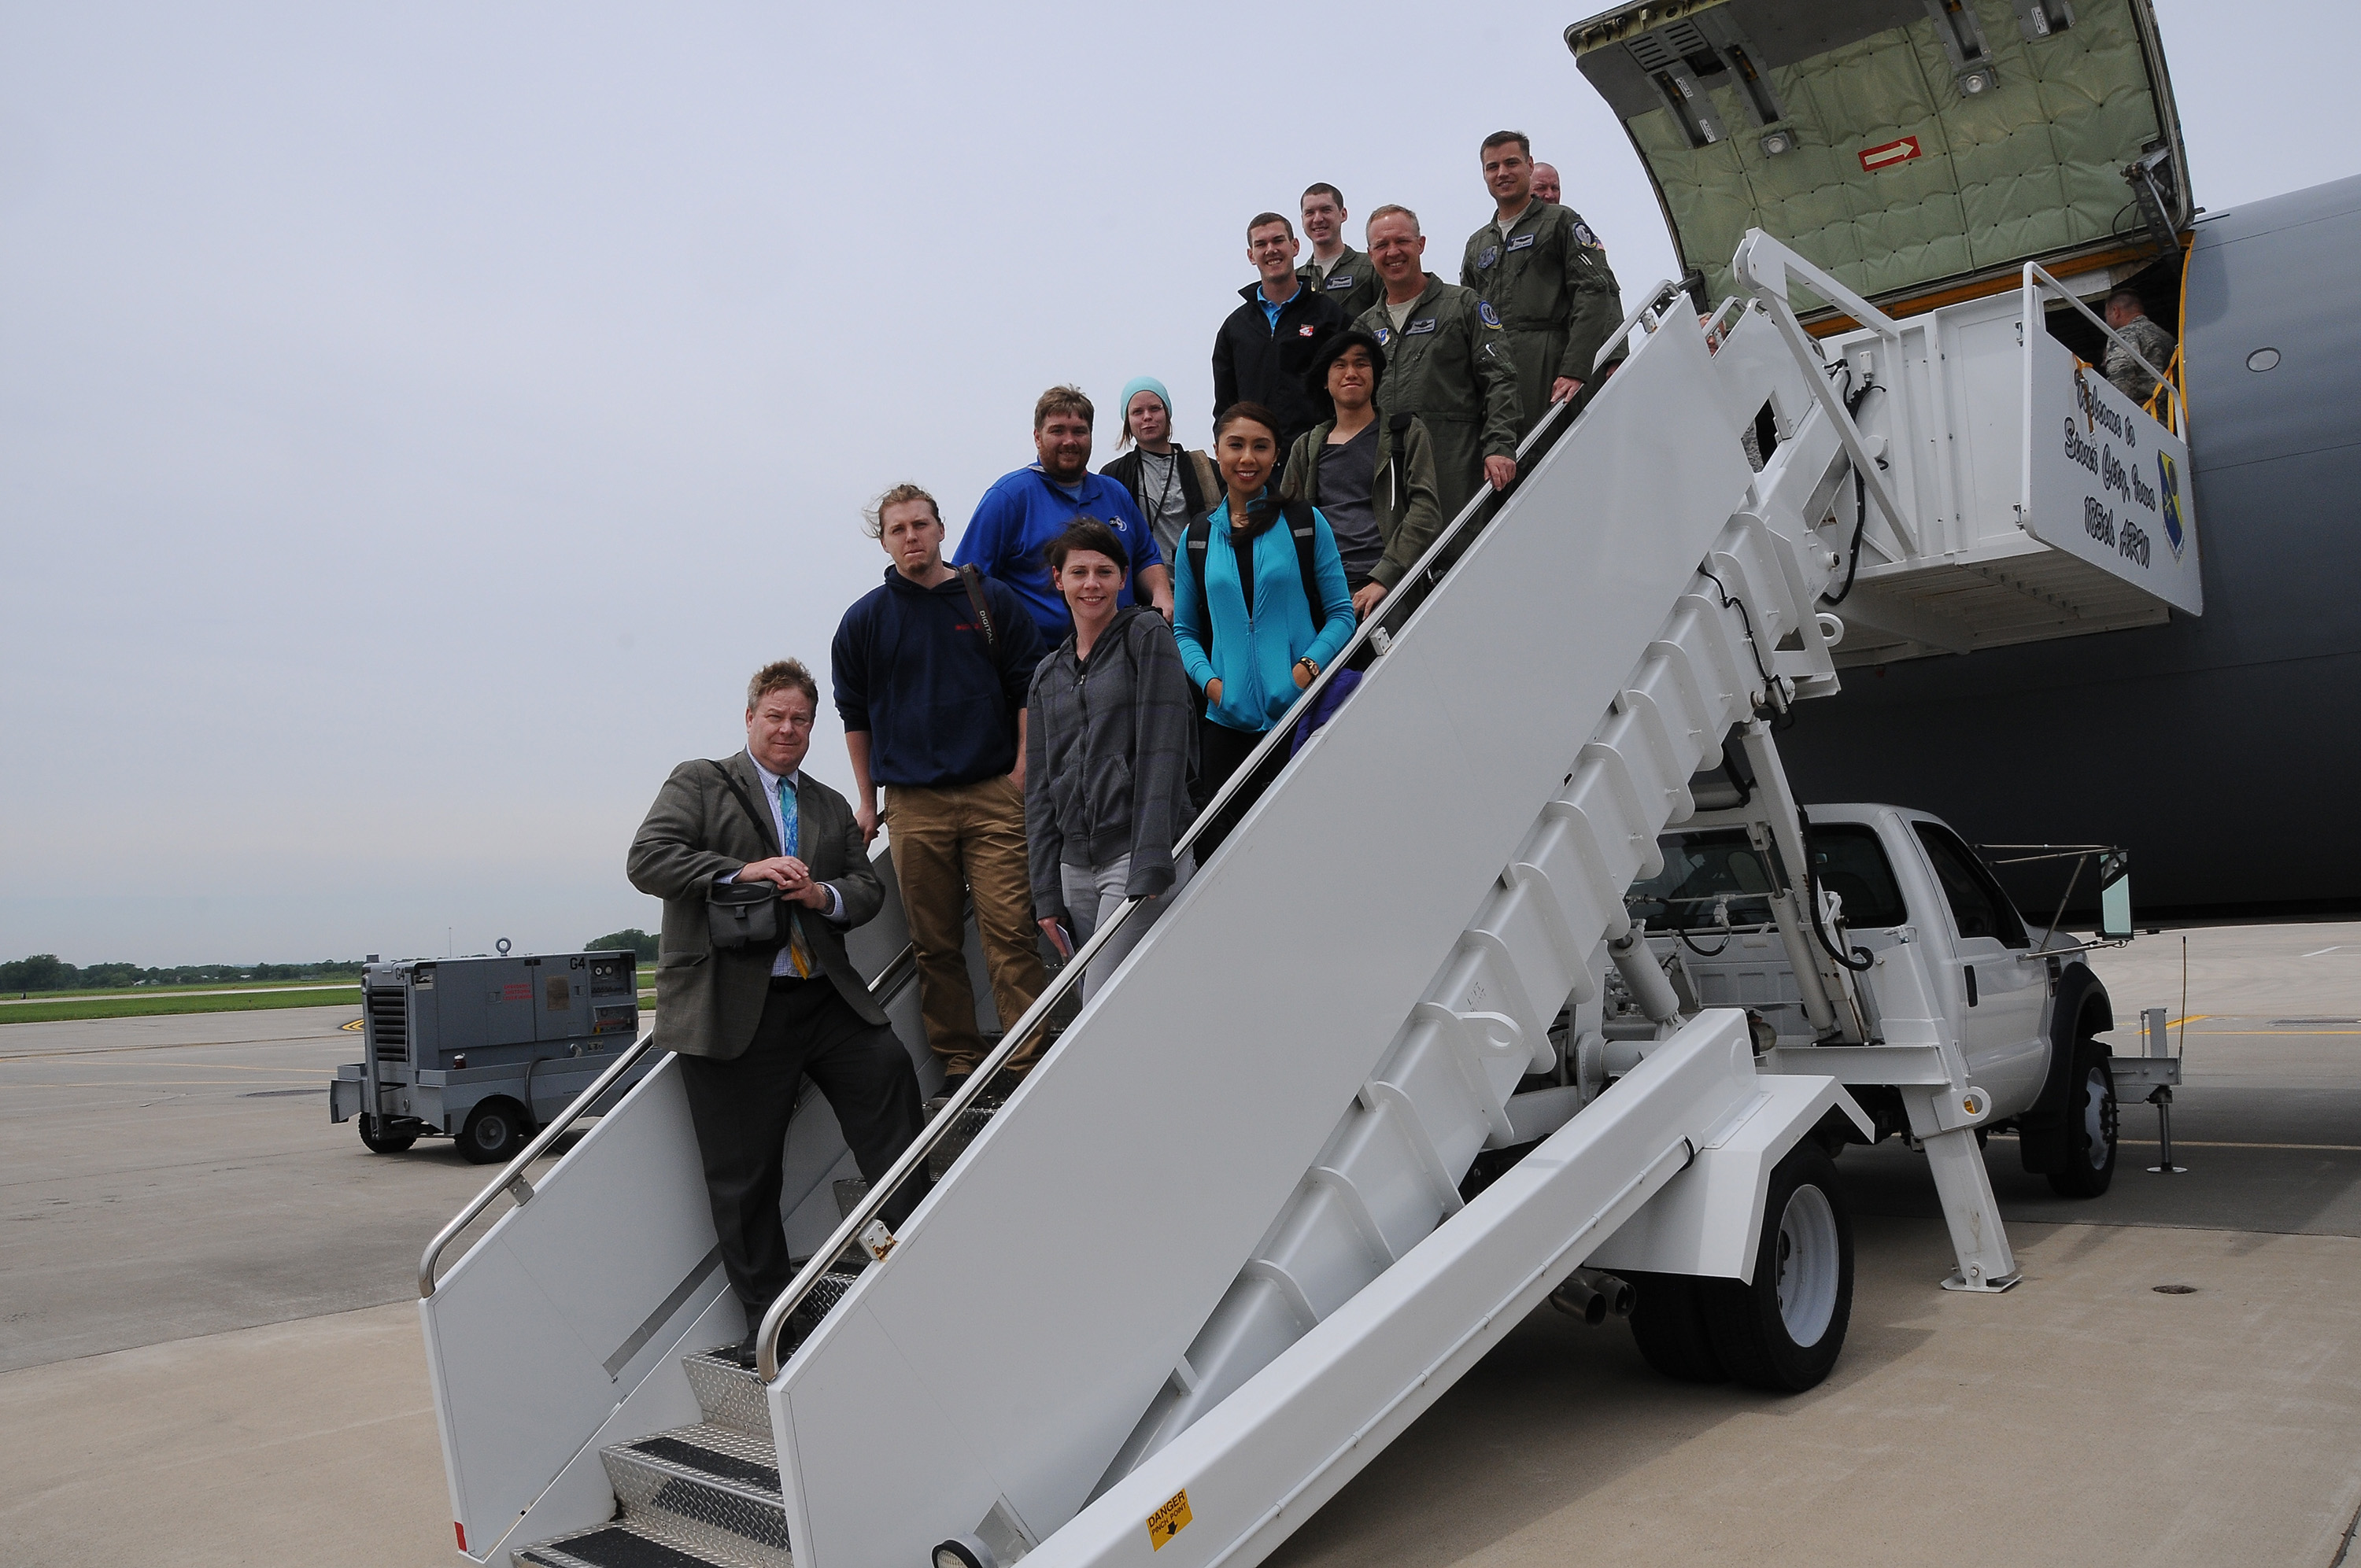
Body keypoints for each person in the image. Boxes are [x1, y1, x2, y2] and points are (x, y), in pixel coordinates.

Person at [626, 661, 928, 1369]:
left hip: (822, 992)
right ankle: (771, 1323)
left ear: (812, 727)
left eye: (800, 719)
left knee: (887, 1074)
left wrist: (826, 898)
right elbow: (648, 858)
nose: (788, 729)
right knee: (744, 1174)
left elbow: (865, 887)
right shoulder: (699, 782)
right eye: (776, 716)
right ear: (751, 717)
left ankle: (911, 1246)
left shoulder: (825, 804)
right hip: (735, 1005)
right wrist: (743, 873)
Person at [832, 485, 1046, 1094]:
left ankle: (1030, 1058)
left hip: (992, 790)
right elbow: (855, 716)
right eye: (897, 529)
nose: (911, 538)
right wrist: (868, 801)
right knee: (935, 941)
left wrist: (1023, 770)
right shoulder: (864, 620)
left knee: (1009, 929)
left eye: (920, 525)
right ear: (883, 540)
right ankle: (960, 1059)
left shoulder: (987, 598)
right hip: (913, 802)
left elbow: (1028, 686)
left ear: (940, 528)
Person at [1026, 518, 1198, 1002]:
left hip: (1137, 854)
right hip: (1075, 868)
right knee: (1120, 1003)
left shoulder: (1145, 635)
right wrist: (1045, 891)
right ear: (1058, 580)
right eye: (1078, 572)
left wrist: (1151, 857)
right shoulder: (1046, 674)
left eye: (1104, 571)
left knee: (1099, 1002)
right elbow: (1040, 790)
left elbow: (1164, 750)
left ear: (1124, 577)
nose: (1092, 584)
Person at [1172, 402, 1355, 854]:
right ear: (1217, 452)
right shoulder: (1196, 536)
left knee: (1309, 846)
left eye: (1260, 446)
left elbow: (1341, 615)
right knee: (1219, 855)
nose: (1247, 458)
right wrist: (1214, 685)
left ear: (1277, 455)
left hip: (1299, 716)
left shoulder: (1305, 523)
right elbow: (1184, 631)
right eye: (1235, 445)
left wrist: (1305, 671)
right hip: (1226, 725)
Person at [956, 386, 1173, 651]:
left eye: (1079, 431)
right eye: (1057, 431)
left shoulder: (1114, 492)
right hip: (1040, 660)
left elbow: (1145, 557)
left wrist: (1161, 594)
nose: (1069, 441)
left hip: (1122, 653)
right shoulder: (1009, 497)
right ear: (1037, 437)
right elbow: (968, 581)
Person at [1358, 204, 1523, 526]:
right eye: (1382, 245)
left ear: (1420, 244)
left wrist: (1500, 445)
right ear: (1370, 254)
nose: (1393, 252)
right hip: (1388, 472)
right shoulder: (1362, 329)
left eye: (1402, 241)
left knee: (1461, 556)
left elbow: (1500, 379)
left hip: (1456, 465)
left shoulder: (1463, 306)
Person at [1460, 131, 1626, 441]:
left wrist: (1576, 367)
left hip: (1552, 363)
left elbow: (1594, 292)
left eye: (1511, 163)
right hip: (1498, 372)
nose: (1502, 173)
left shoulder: (1561, 222)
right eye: (1492, 167)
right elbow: (1468, 319)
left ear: (1529, 165)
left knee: (1556, 452)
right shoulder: (1477, 244)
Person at [1279, 330, 1444, 618]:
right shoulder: (1306, 447)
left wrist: (1384, 577)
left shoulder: (1405, 434)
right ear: (1325, 380)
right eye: (1340, 365)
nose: (1351, 373)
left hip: (1393, 589)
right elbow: (1286, 522)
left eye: (1361, 363)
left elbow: (1426, 512)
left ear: (1375, 374)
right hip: (1325, 594)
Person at [1212, 212, 1348, 460]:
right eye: (1261, 244)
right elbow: (1224, 408)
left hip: (1318, 456)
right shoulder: (1235, 327)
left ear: (1295, 246)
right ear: (1251, 255)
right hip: (1256, 462)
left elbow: (1349, 388)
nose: (1271, 250)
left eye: (1278, 241)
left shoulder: (1328, 316)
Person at [1099, 378, 1221, 565]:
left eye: (1155, 409)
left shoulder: (1206, 469)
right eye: (1137, 412)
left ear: (1167, 413)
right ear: (1127, 421)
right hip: (1141, 586)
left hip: (1200, 578)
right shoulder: (1113, 476)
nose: (1147, 417)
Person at [1296, 183, 1381, 322]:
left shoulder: (1371, 267)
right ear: (1302, 220)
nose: (1318, 219)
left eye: (1326, 210)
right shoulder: (1296, 279)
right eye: (1310, 213)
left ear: (1343, 214)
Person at [2103, 289, 2176, 409]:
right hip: (2172, 417)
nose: (2107, 321)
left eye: (2107, 316)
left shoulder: (2124, 334)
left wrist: (2116, 408)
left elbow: (2121, 377)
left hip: (2146, 416)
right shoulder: (2167, 337)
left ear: (2115, 311)